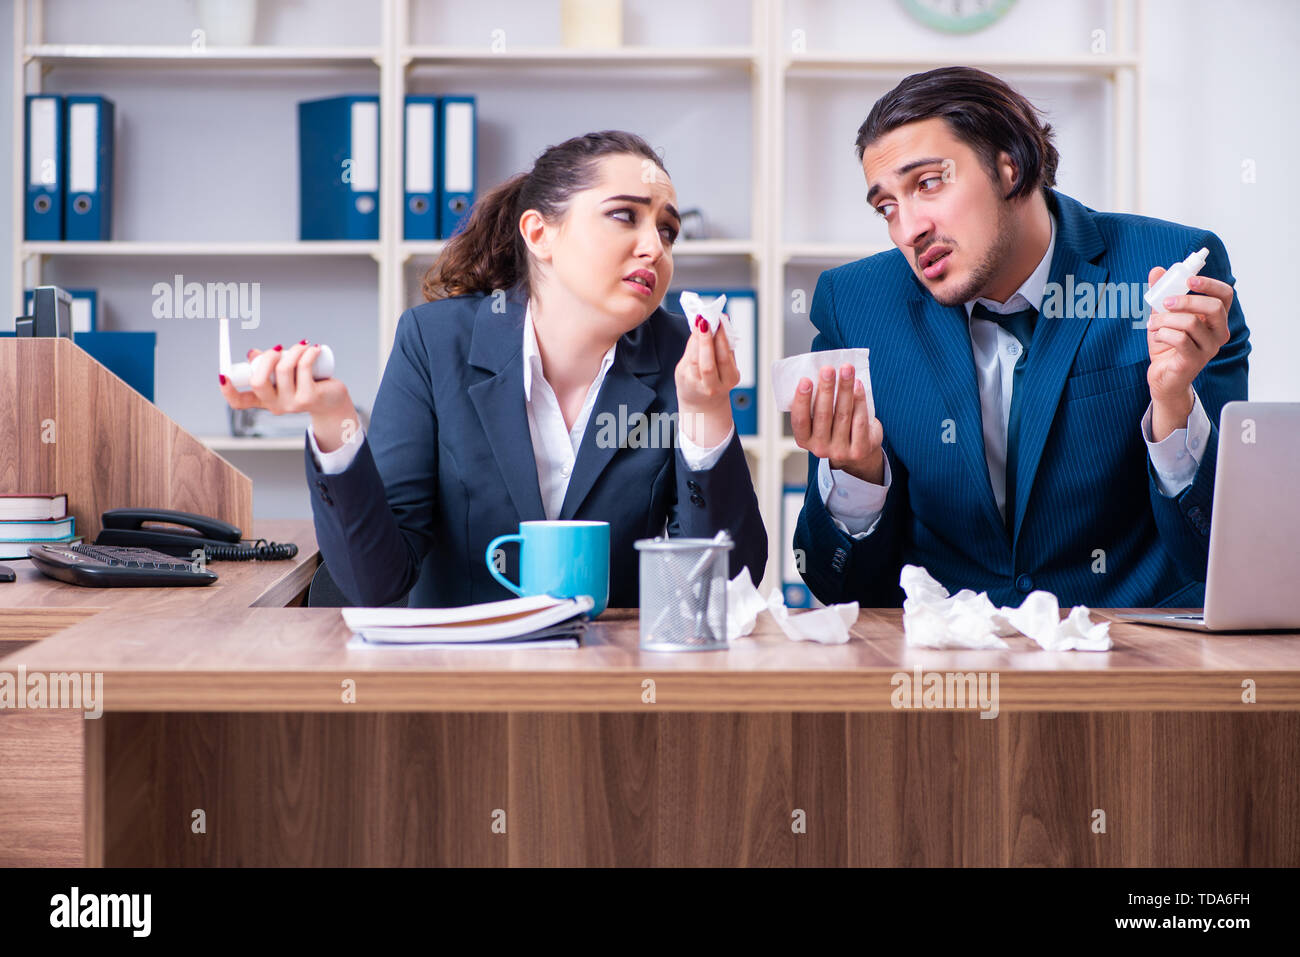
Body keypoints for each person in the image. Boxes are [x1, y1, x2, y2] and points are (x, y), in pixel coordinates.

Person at [219, 130, 766, 608]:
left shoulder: (679, 357)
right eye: (625, 216)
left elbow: (726, 590)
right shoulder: (434, 343)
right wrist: (332, 420)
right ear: (538, 234)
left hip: (613, 686)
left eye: (668, 231)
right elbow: (373, 583)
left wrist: (705, 413)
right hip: (457, 685)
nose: (654, 247)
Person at [792, 67, 1249, 608]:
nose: (907, 229)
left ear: (1010, 167)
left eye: (928, 183)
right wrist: (859, 478)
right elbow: (835, 584)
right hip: (945, 670)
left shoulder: (1166, 271)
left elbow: (1223, 556)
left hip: (1131, 664)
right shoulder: (858, 306)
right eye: (886, 207)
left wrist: (1174, 407)